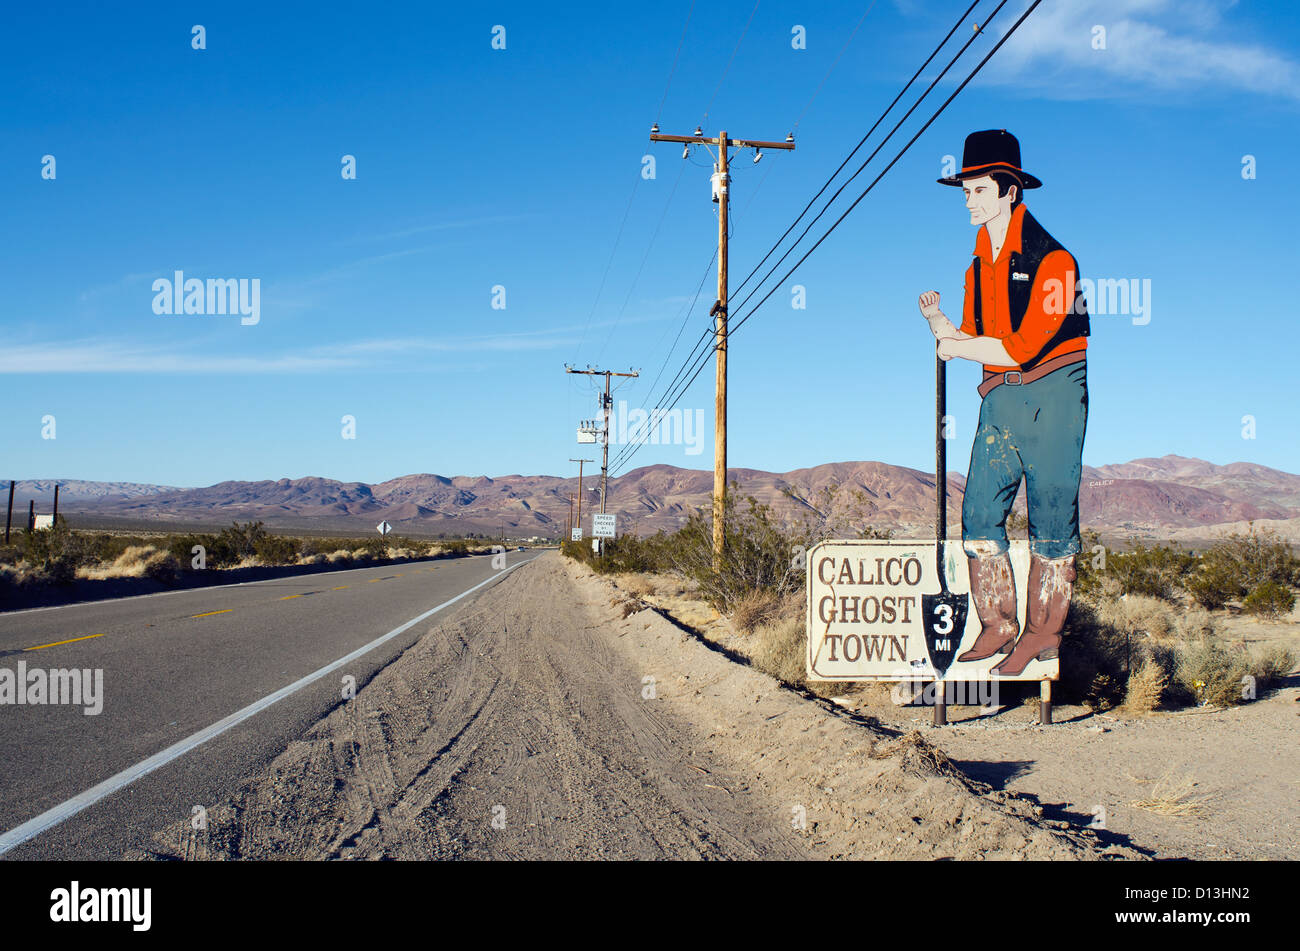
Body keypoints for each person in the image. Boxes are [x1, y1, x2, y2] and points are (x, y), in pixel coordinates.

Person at [917, 129, 1089, 677]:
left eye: (977, 190)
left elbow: (1022, 346)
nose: (968, 200)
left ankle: (1043, 633)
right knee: (980, 513)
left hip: (1055, 392)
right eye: (964, 190)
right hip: (999, 396)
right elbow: (973, 336)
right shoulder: (976, 268)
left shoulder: (1056, 261)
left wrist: (956, 345)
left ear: (1009, 190)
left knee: (1052, 516)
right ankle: (998, 622)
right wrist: (943, 328)